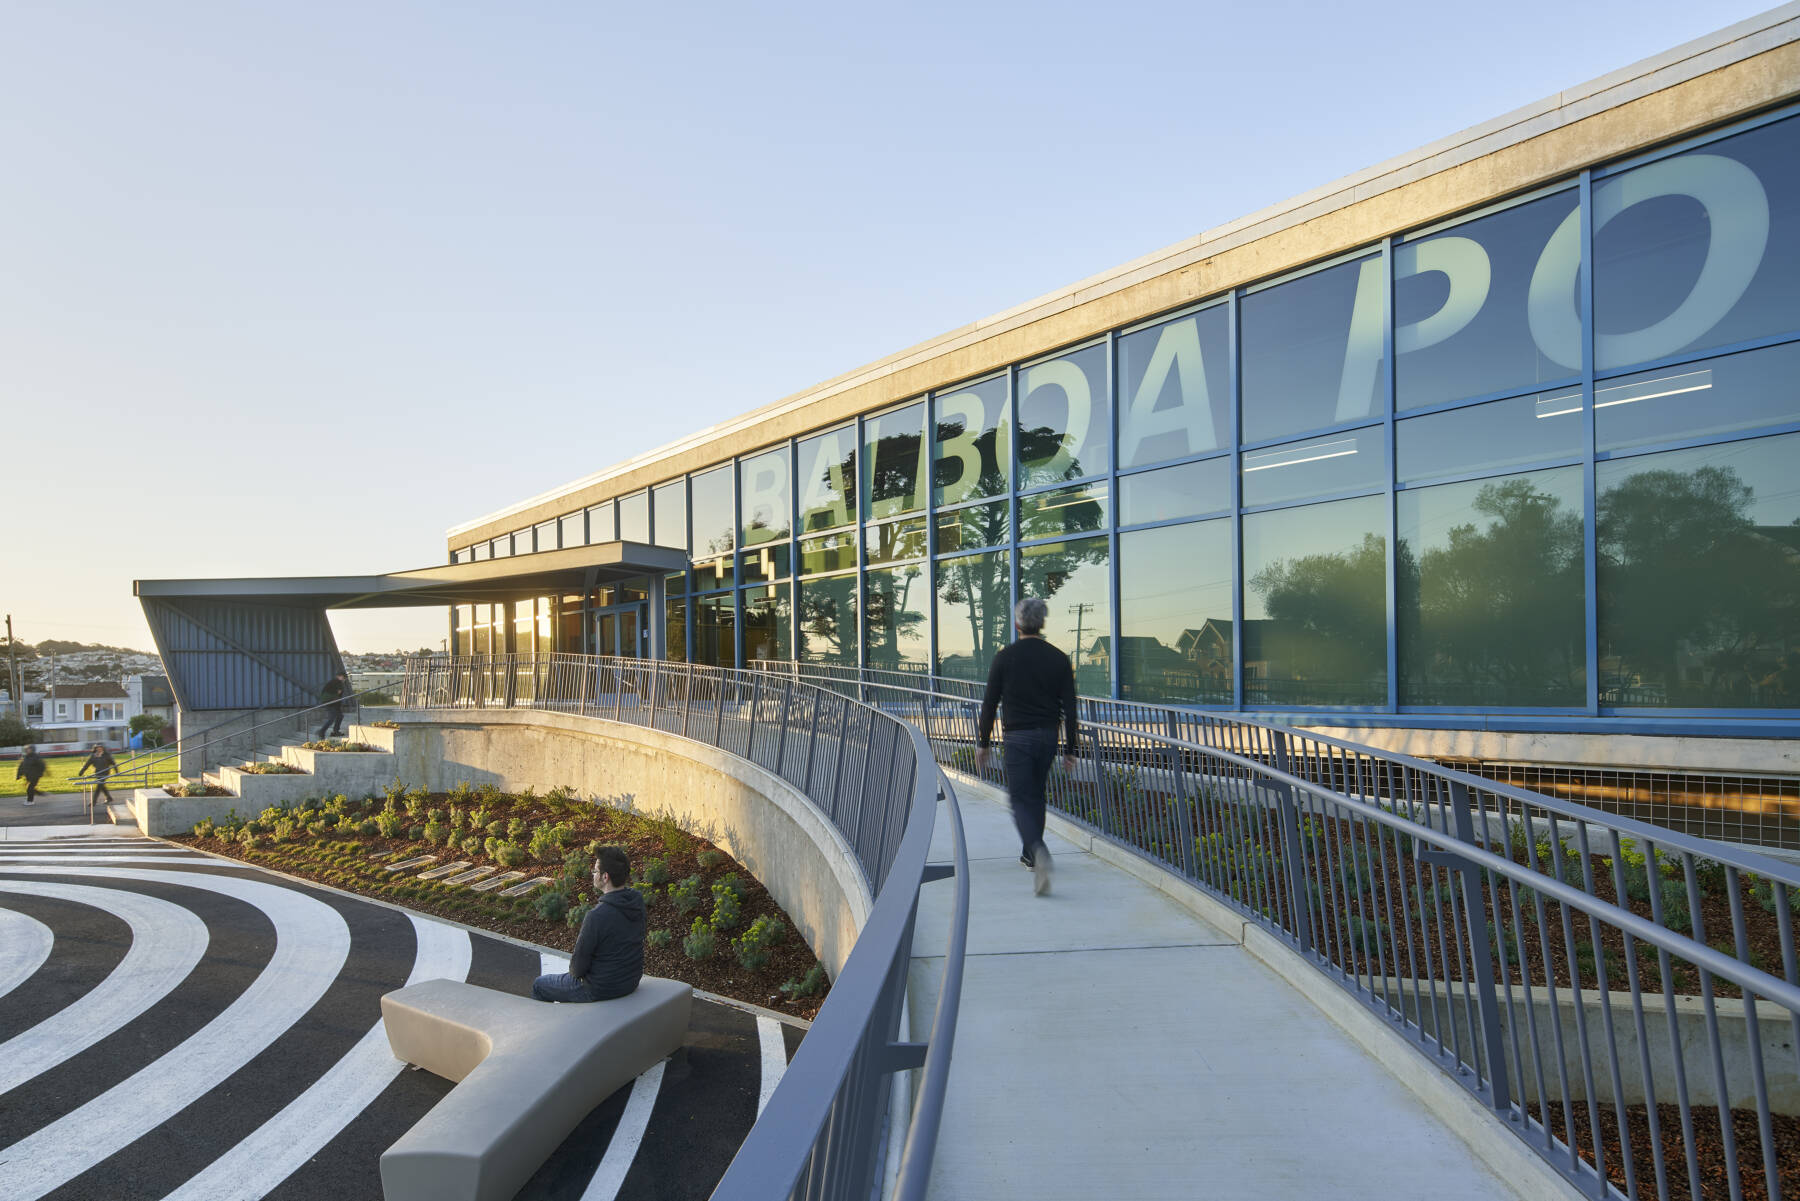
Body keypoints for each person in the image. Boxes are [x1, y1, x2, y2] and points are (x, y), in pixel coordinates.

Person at [975, 597, 1079, 897]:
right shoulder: (1059, 658)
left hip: (1017, 737)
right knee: (1037, 795)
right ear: (1042, 623)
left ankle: (1037, 849)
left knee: (1020, 799)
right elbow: (1070, 708)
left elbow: (990, 704)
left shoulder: (1005, 657)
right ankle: (1029, 855)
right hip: (1048, 736)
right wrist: (1070, 749)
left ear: (1017, 623)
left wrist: (983, 743)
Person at [532, 846, 645, 1002]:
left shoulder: (597, 916)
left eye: (595, 871)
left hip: (599, 988)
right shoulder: (637, 901)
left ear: (605, 877)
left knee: (539, 984)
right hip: (630, 981)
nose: (593, 875)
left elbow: (577, 970)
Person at [76, 743, 118, 808]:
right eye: (97, 747)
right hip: (98, 773)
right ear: (95, 748)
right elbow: (87, 764)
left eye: (100, 747)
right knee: (102, 786)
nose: (99, 748)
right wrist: (82, 771)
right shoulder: (93, 756)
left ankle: (94, 802)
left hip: (105, 772)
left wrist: (116, 771)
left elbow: (113, 763)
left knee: (99, 787)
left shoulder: (106, 755)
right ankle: (109, 798)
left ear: (103, 748)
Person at [314, 671, 349, 740]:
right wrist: (338, 704)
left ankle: (335, 731)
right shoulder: (338, 682)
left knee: (340, 716)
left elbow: (336, 695)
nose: (345, 679)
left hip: (330, 701)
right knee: (332, 718)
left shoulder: (333, 682)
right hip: (331, 702)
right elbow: (338, 694)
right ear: (341, 677)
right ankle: (321, 731)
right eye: (344, 678)